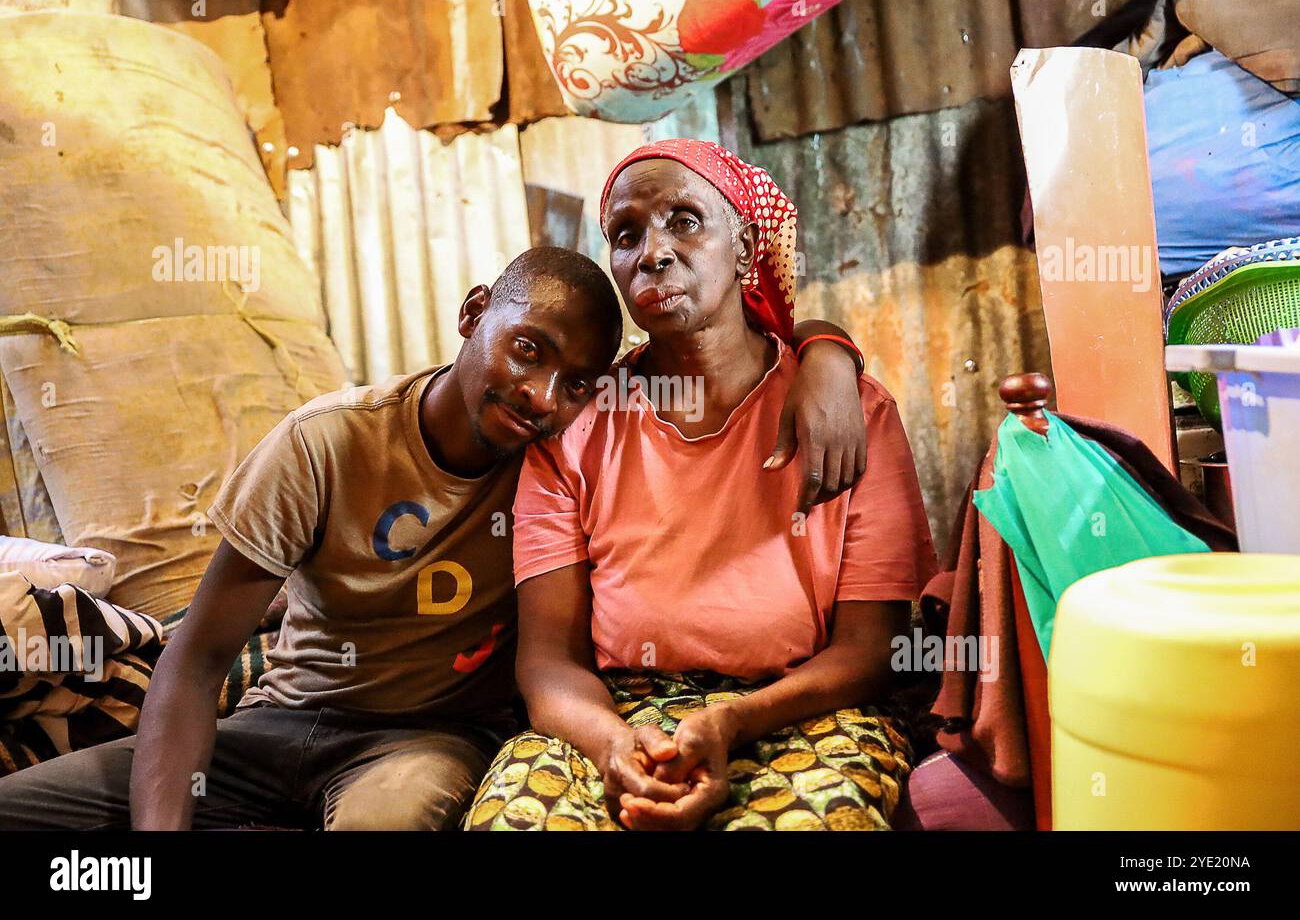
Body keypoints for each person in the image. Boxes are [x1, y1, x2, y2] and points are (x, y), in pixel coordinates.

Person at [0, 235, 870, 831]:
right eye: (526, 350)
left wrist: (830, 347)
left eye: (575, 383)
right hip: (281, 722)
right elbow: (194, 659)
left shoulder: (567, 457)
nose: (540, 397)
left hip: (424, 740)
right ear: (473, 313)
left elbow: (720, 354)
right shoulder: (327, 442)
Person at [464, 141, 938, 831]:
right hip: (615, 715)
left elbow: (872, 651)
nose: (653, 252)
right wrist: (614, 745)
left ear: (745, 249)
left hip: (801, 709)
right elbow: (547, 663)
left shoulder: (850, 413)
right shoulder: (576, 424)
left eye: (684, 221)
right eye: (626, 235)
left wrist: (732, 722)